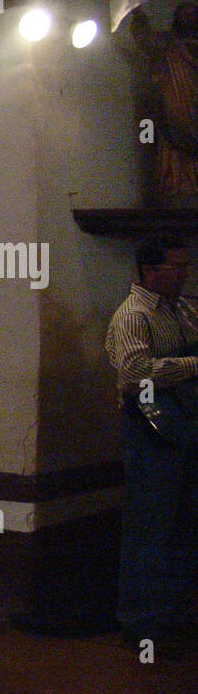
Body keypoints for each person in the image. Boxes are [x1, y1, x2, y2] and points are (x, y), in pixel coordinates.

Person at [105, 241, 198, 648]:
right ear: (150, 269)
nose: (185, 273)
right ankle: (142, 623)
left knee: (180, 523)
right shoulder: (133, 315)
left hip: (182, 425)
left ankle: (171, 615)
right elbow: (134, 375)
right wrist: (194, 365)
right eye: (176, 266)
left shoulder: (182, 311)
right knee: (150, 524)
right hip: (150, 428)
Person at [131, 4, 198, 206]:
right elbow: (145, 41)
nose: (189, 18)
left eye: (193, 15)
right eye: (184, 15)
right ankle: (175, 185)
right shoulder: (168, 45)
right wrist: (138, 16)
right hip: (176, 99)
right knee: (167, 136)